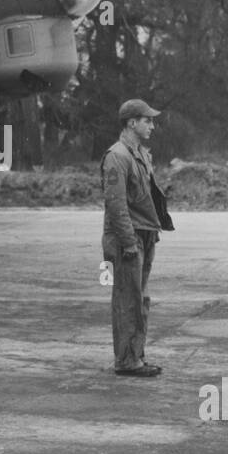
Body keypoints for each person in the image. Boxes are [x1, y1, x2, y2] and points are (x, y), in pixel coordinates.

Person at [101, 99, 171, 377]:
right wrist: (129, 243)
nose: (152, 125)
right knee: (127, 299)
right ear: (132, 122)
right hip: (126, 239)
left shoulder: (139, 153)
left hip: (143, 234)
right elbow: (115, 205)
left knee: (137, 298)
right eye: (147, 120)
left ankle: (134, 357)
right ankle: (127, 361)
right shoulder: (117, 156)